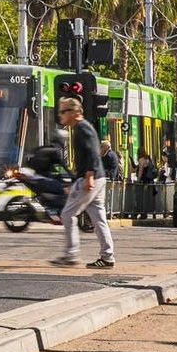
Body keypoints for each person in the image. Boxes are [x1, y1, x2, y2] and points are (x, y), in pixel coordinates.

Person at [54, 97, 115, 269]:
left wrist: (88, 176)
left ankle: (70, 255)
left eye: (64, 111)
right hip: (97, 177)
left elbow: (92, 152)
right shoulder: (81, 128)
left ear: (74, 112)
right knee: (98, 218)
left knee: (67, 214)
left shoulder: (82, 128)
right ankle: (107, 257)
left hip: (91, 178)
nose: (60, 115)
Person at [134, 151, 158, 220]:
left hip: (144, 181)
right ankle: (151, 213)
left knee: (141, 198)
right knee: (148, 198)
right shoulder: (148, 159)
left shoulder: (141, 160)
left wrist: (138, 180)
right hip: (150, 181)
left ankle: (142, 213)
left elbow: (141, 171)